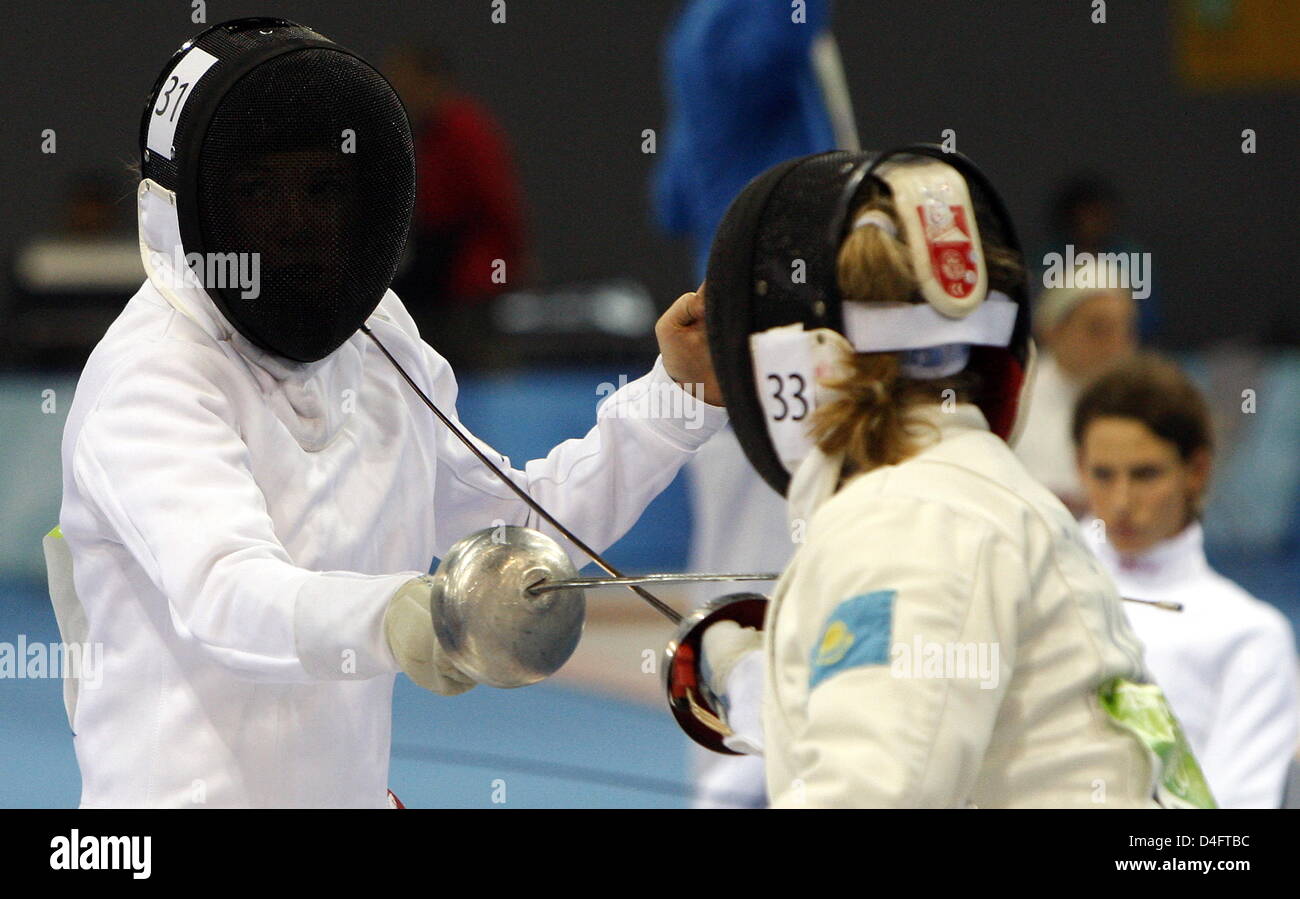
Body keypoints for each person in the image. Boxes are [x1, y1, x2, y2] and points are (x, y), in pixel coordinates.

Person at [51, 18, 725, 808]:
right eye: (258, 192)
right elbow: (228, 597)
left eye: (323, 188)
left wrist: (677, 395)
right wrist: (403, 612)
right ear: (183, 207)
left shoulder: (378, 338)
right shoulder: (152, 377)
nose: (298, 222)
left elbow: (515, 523)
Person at [688, 146, 1214, 807]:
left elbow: (874, 793)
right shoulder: (966, 492)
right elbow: (926, 711)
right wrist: (747, 684)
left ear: (796, 363)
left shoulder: (909, 517)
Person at [652, 0, 855, 809]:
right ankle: (738, 776)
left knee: (770, 559)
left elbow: (667, 198)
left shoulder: (700, 36)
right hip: (768, 336)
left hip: (763, 324)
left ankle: (751, 765)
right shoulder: (738, 27)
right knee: (768, 565)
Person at [1074, 354, 1300, 808]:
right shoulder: (1035, 580)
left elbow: (1231, 822)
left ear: (1195, 471)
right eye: (1103, 474)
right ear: (1079, 467)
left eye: (1145, 474)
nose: (1120, 502)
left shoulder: (1250, 634)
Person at [1014, 285, 1137, 515]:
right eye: (1098, 329)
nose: (1114, 344)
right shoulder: (1014, 395)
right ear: (1053, 330)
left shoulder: (1147, 403)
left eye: (1123, 330)